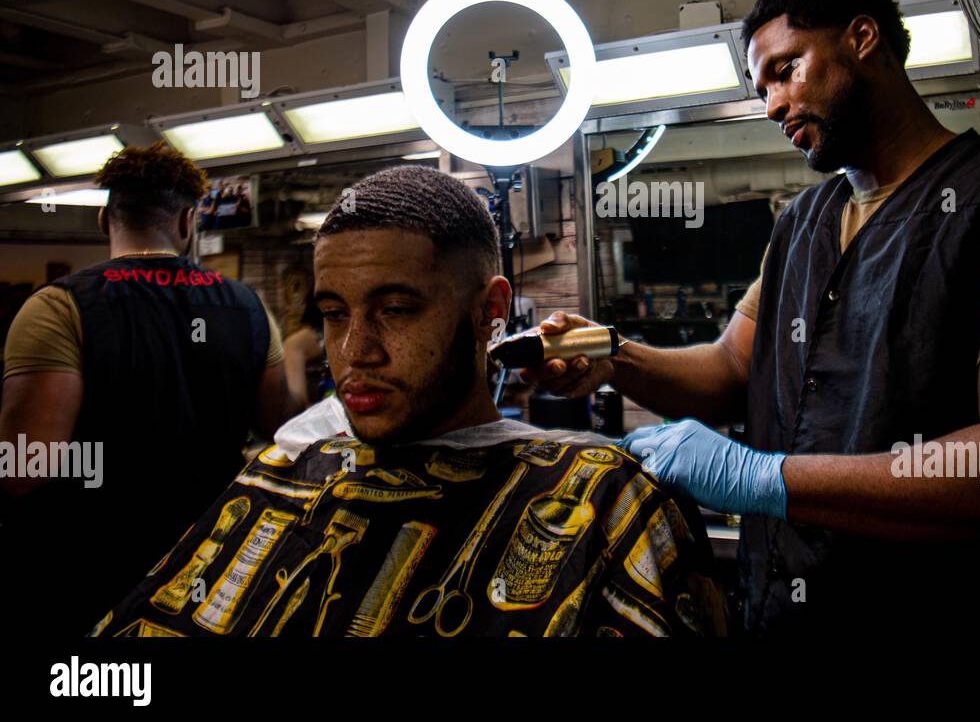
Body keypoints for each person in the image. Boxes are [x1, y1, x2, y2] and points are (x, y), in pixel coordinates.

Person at [527, 0, 980, 636]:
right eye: (763, 88)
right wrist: (615, 354)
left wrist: (767, 480)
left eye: (786, 69)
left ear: (863, 39)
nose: (773, 104)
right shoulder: (803, 223)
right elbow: (733, 371)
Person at [93, 166, 724, 637]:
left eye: (395, 310)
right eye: (333, 313)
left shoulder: (605, 500)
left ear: (490, 312)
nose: (354, 350)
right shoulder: (279, 474)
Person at [0, 142, 303, 636]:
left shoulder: (58, 307)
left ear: (104, 220)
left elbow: (26, 468)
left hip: (89, 576)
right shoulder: (247, 307)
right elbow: (282, 432)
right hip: (206, 567)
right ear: (188, 223)